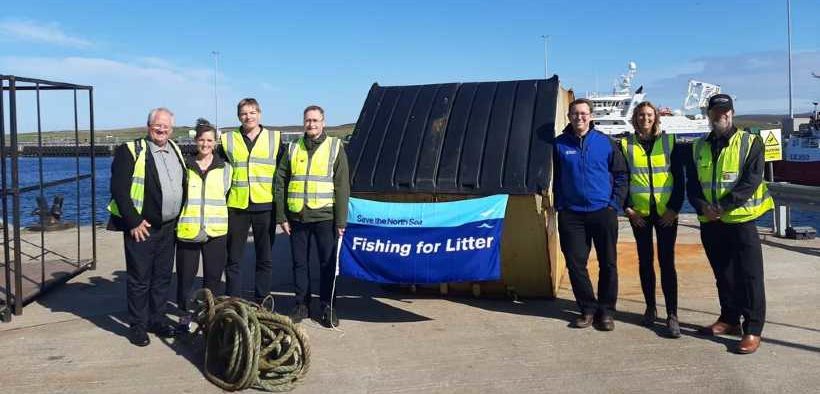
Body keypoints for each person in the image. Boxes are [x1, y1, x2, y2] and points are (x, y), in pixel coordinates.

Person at [686, 94, 773, 354]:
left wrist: (722, 207)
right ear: (709, 115)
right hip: (711, 222)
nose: (721, 115)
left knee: (750, 276)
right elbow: (693, 182)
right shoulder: (698, 146)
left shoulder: (750, 143)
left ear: (732, 113)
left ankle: (753, 329)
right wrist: (702, 206)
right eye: (716, 111)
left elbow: (751, 180)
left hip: (740, 220)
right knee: (723, 273)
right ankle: (729, 319)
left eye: (725, 111)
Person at [107, 107, 186, 346]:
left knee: (162, 277)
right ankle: (138, 326)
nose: (162, 129)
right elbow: (119, 189)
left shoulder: (174, 149)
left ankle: (157, 319)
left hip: (168, 226)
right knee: (140, 279)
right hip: (142, 227)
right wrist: (133, 221)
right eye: (157, 125)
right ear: (148, 126)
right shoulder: (131, 150)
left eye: (166, 126)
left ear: (171, 129)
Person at [553, 98, 629, 331]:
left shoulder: (605, 142)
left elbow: (622, 175)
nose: (580, 117)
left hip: (602, 212)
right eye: (575, 114)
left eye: (584, 113)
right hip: (572, 214)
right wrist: (560, 205)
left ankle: (606, 312)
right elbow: (554, 176)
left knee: (608, 263)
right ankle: (587, 309)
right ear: (569, 116)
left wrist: (613, 204)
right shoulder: (558, 145)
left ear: (591, 116)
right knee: (575, 264)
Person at [275, 105, 349, 327]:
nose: (311, 124)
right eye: (308, 120)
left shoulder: (335, 147)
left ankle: (327, 306)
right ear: (303, 122)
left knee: (327, 265)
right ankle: (302, 305)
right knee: (300, 264)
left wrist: (341, 220)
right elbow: (280, 181)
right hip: (297, 217)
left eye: (315, 120)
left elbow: (342, 185)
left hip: (325, 217)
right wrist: (282, 216)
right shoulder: (292, 147)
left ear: (323, 122)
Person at [621, 101, 685, 338]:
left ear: (655, 118)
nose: (644, 119)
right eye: (640, 115)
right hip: (639, 215)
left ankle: (672, 314)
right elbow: (622, 178)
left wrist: (674, 209)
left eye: (648, 115)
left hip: (665, 213)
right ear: (634, 118)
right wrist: (627, 208)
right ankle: (650, 307)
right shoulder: (625, 144)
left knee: (667, 262)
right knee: (645, 261)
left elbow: (679, 179)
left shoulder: (669, 142)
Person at [220, 98, 281, 302]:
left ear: (259, 114)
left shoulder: (275, 138)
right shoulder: (227, 139)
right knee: (233, 258)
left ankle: (262, 299)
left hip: (265, 205)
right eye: (244, 113)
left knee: (264, 257)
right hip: (237, 206)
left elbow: (284, 174)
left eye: (252, 112)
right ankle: (233, 299)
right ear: (239, 116)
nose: (248, 117)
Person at [175, 119, 231, 332]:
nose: (205, 144)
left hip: (216, 232)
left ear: (215, 143)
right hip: (188, 231)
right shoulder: (185, 166)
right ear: (195, 141)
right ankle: (184, 318)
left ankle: (210, 319)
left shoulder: (226, 169)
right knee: (185, 279)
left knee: (213, 279)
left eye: (209, 140)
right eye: (201, 139)